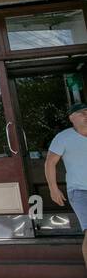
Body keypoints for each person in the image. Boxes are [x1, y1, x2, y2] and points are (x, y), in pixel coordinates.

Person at [46, 102, 87, 269]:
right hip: (79, 191)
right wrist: (53, 188)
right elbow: (50, 163)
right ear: (72, 117)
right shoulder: (63, 137)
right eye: (83, 112)